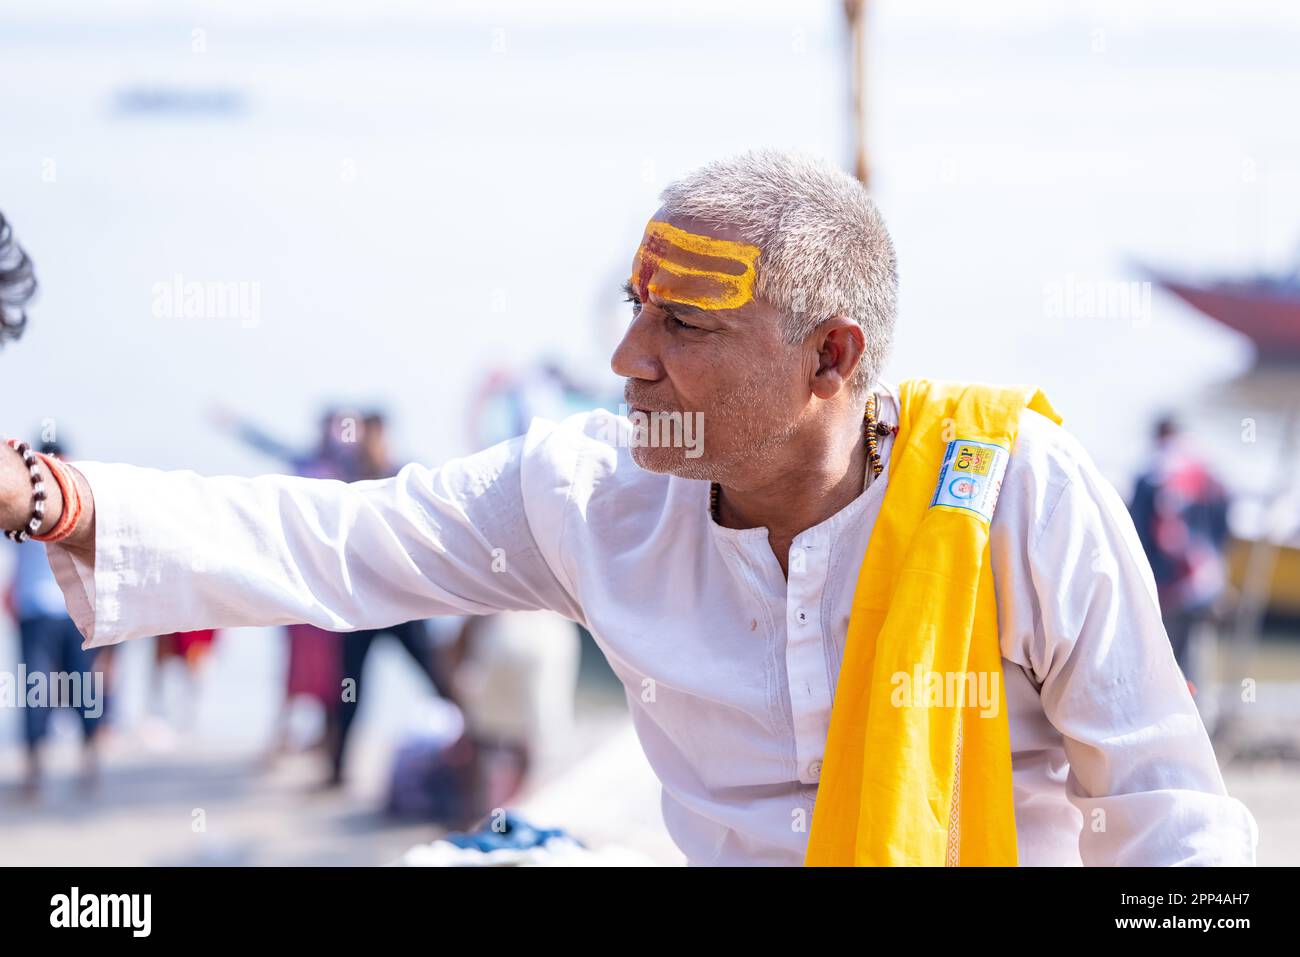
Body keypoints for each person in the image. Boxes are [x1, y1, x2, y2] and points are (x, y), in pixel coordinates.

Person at [1, 150, 1257, 865]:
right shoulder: (586, 493)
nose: (627, 363)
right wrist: (43, 497)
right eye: (630, 313)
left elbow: (1166, 814)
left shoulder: (1008, 492)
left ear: (830, 357)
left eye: (683, 328)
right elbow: (338, 544)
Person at [4, 440, 107, 796]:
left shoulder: (75, 498)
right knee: (43, 690)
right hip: (43, 611)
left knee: (75, 688)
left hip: (66, 612)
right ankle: (40, 769)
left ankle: (86, 763)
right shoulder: (31, 498)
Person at [1128, 415, 1232, 695]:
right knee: (1196, 657)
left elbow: (1139, 534)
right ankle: (1199, 722)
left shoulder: (1151, 476)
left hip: (1168, 586)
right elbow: (1224, 525)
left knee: (1161, 662)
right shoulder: (1207, 472)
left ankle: (1166, 723)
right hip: (1205, 582)